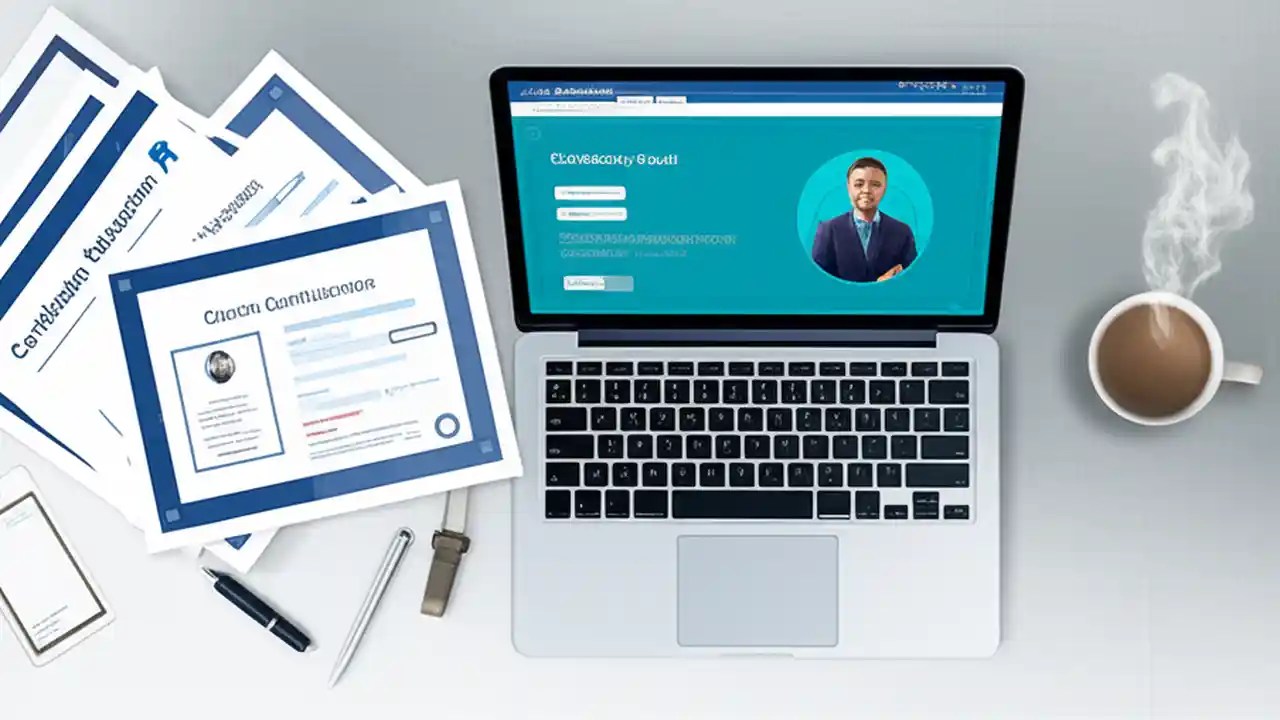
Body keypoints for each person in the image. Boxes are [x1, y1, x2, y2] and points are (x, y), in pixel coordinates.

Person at [811, 157, 917, 283]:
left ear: (884, 189)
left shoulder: (902, 232)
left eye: (875, 185)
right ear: (848, 187)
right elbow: (817, 282)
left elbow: (913, 280)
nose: (866, 191)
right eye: (859, 184)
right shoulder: (828, 230)